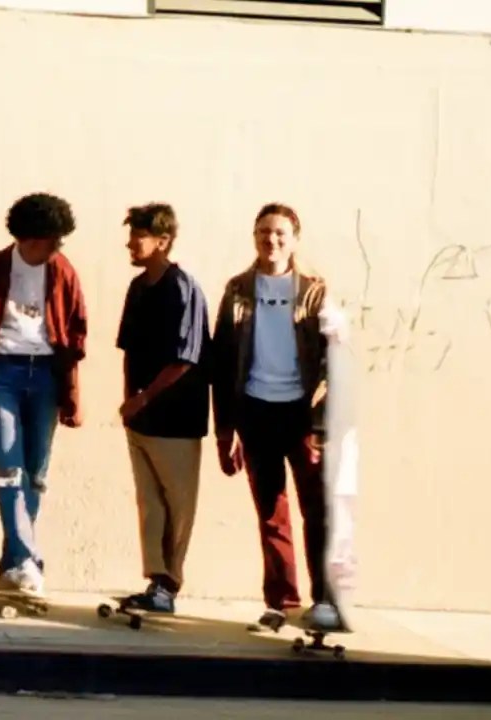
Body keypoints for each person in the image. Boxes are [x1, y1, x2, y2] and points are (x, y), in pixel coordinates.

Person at [211, 202, 340, 632]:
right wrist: (225, 430)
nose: (272, 240)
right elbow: (222, 361)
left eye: (280, 233)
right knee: (271, 512)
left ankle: (325, 600)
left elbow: (336, 360)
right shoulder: (237, 290)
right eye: (264, 232)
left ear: (294, 239)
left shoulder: (315, 291)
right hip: (255, 412)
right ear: (255, 237)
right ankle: (280, 602)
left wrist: (323, 423)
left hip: (303, 416)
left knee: (316, 510)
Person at [0, 192, 87, 597]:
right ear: (30, 238)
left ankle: (14, 563)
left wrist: (71, 389)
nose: (57, 246)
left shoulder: (63, 271)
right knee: (9, 469)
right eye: (52, 239)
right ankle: (29, 559)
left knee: (37, 474)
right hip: (3, 374)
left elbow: (77, 333)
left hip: (46, 375)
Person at [116, 203, 211, 614]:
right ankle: (154, 581)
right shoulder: (137, 288)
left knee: (178, 504)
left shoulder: (183, 288)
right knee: (149, 502)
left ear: (163, 241)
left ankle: (170, 584)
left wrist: (144, 397)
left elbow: (186, 358)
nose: (131, 244)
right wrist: (129, 402)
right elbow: (127, 348)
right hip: (140, 418)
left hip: (177, 419)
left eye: (139, 236)